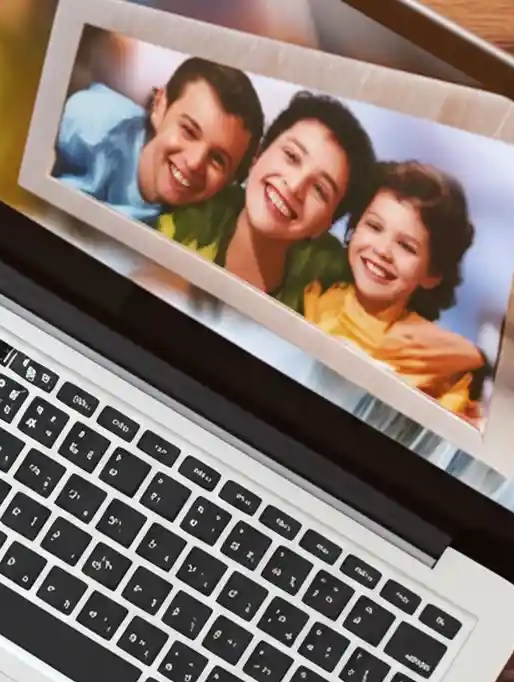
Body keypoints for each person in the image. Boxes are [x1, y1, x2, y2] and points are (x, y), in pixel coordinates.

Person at [158, 91, 376, 313]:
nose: (294, 186)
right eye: (292, 156)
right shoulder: (192, 204)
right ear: (258, 155)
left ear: (324, 225)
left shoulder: (326, 286)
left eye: (320, 189)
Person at [302, 161, 484, 422]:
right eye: (374, 227)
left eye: (406, 247)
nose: (383, 250)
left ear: (432, 274)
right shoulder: (313, 294)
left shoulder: (438, 360)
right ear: (353, 230)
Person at [54, 57, 264, 226]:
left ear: (229, 181)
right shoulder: (92, 121)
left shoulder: (202, 221)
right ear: (160, 106)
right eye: (189, 131)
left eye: (218, 159)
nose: (194, 163)